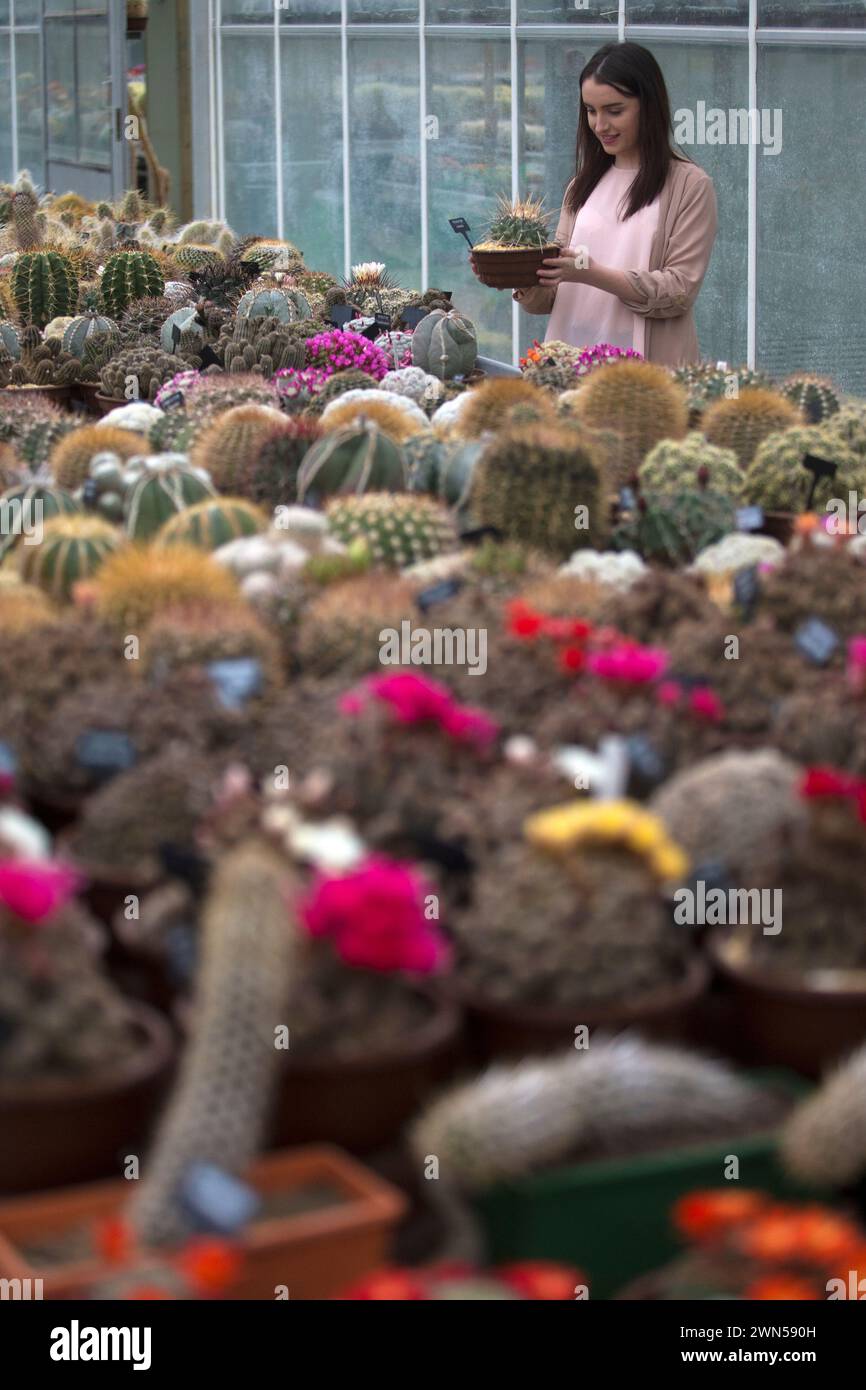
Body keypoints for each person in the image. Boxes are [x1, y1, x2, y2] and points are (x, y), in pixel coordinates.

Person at [470, 42, 718, 368]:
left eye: (614, 111)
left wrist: (590, 272)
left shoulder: (690, 186)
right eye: (590, 110)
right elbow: (551, 294)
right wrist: (515, 270)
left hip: (643, 374)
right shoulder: (581, 186)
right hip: (569, 364)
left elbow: (678, 292)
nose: (600, 125)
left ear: (650, 106)